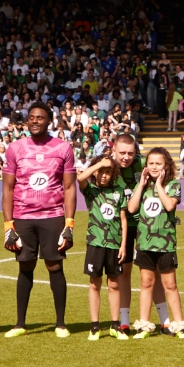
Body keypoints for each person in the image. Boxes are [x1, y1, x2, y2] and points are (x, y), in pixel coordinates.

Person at [1, 103, 77, 338]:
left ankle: (61, 324)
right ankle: (20, 324)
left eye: (40, 118)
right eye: (31, 117)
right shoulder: (15, 148)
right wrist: (8, 225)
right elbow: (7, 188)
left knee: (54, 266)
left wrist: (69, 223)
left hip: (53, 216)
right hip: (23, 217)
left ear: (49, 121)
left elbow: (69, 187)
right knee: (25, 267)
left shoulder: (63, 148)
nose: (35, 121)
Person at [80, 135, 149, 333]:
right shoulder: (106, 168)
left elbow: (161, 167)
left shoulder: (143, 164)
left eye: (130, 153)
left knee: (153, 273)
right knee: (122, 274)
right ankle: (123, 321)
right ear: (113, 151)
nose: (127, 157)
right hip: (115, 231)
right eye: (122, 153)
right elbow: (82, 179)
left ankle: (163, 319)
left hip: (144, 223)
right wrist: (100, 164)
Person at [127, 147, 184, 339]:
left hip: (165, 244)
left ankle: (178, 325)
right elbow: (131, 208)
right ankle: (144, 325)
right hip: (145, 244)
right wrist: (141, 185)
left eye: (158, 164)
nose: (154, 167)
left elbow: (170, 205)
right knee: (146, 283)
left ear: (166, 166)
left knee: (170, 284)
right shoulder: (143, 186)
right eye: (151, 163)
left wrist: (159, 185)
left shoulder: (173, 185)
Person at [80, 153, 130, 341]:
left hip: (114, 245)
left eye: (108, 172)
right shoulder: (90, 190)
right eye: (101, 172)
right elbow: (80, 177)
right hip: (95, 243)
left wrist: (123, 245)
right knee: (94, 284)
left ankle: (115, 325)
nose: (104, 175)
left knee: (115, 284)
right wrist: (99, 164)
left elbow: (123, 220)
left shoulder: (118, 192)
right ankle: (95, 326)